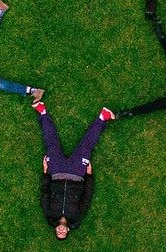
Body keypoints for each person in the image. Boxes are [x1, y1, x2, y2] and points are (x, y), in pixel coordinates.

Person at [35, 102, 115, 239]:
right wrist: (89, 175)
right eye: (63, 233)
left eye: (58, 233)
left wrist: (45, 171)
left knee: (51, 145)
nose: (61, 231)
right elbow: (87, 196)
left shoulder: (49, 213)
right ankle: (103, 117)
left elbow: (45, 191)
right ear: (68, 231)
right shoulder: (77, 216)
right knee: (86, 147)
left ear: (55, 229)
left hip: (56, 172)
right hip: (77, 174)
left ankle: (42, 112)